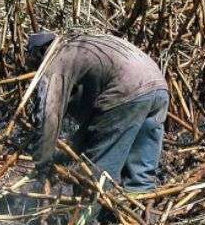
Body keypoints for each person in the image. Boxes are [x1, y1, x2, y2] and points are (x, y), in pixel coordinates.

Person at [28, 31, 169, 194]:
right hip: (158, 86)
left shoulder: (56, 57)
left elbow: (48, 115)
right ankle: (139, 209)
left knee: (97, 174)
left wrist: (43, 163)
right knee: (141, 177)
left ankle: (89, 215)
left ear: (39, 52)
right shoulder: (81, 42)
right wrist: (66, 154)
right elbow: (95, 122)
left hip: (127, 90)